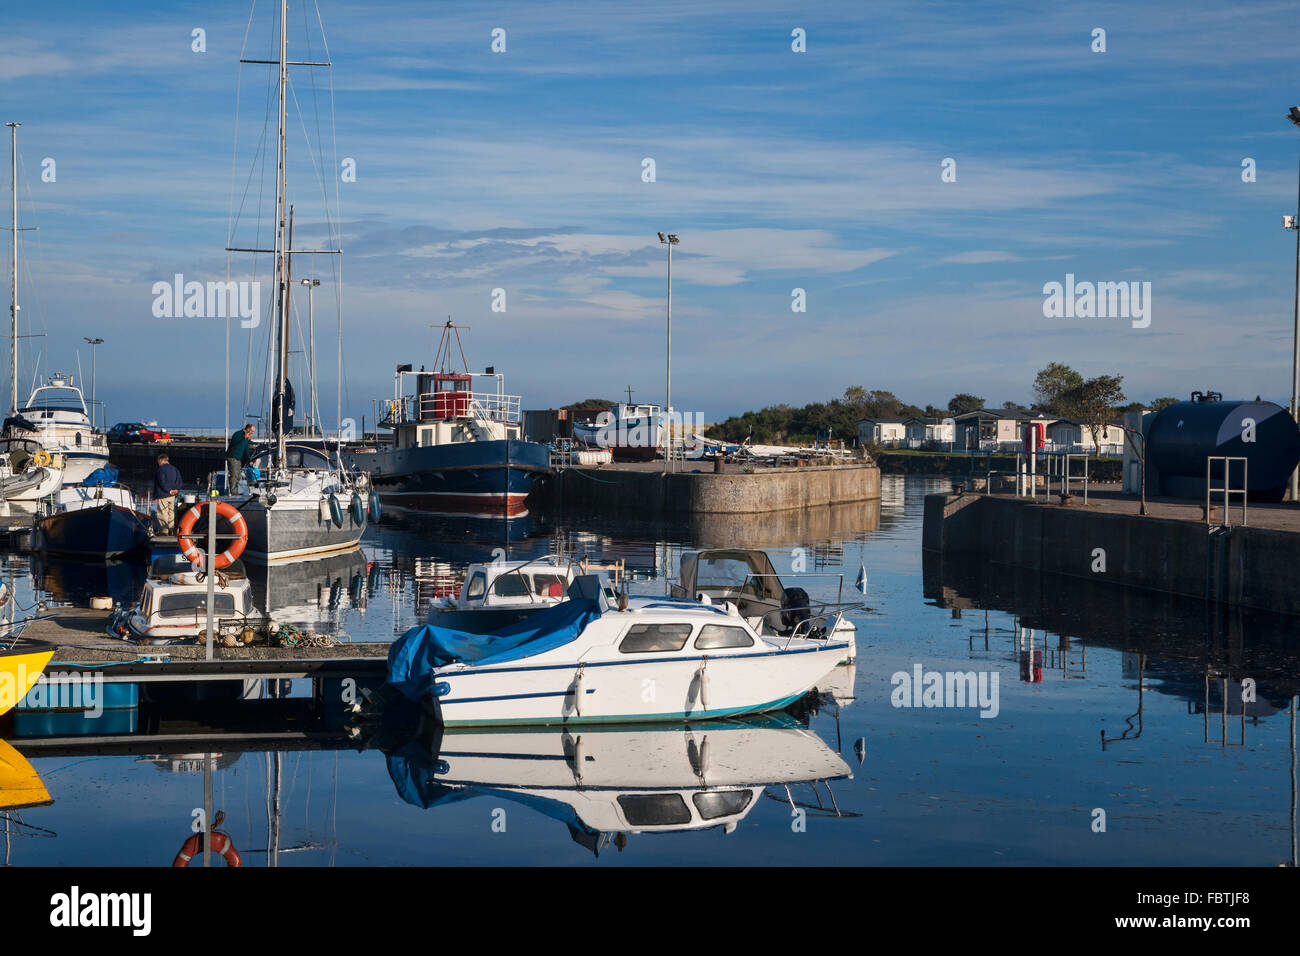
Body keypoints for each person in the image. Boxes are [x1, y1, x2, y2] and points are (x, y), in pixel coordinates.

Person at [153, 454, 183, 534]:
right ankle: (171, 529)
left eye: (158, 462)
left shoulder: (161, 470)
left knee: (163, 512)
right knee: (171, 512)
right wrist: (176, 490)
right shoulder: (175, 469)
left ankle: (164, 531)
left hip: (163, 494)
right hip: (172, 495)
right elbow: (179, 481)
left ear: (161, 460)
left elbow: (161, 482)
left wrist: (168, 491)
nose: (158, 463)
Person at [227, 423, 255, 492]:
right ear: (248, 429)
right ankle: (233, 491)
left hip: (238, 458)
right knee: (234, 475)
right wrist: (243, 437)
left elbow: (246, 450)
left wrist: (249, 460)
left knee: (239, 476)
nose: (252, 433)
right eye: (252, 431)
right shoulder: (238, 434)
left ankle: (235, 490)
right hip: (232, 457)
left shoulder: (247, 438)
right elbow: (233, 442)